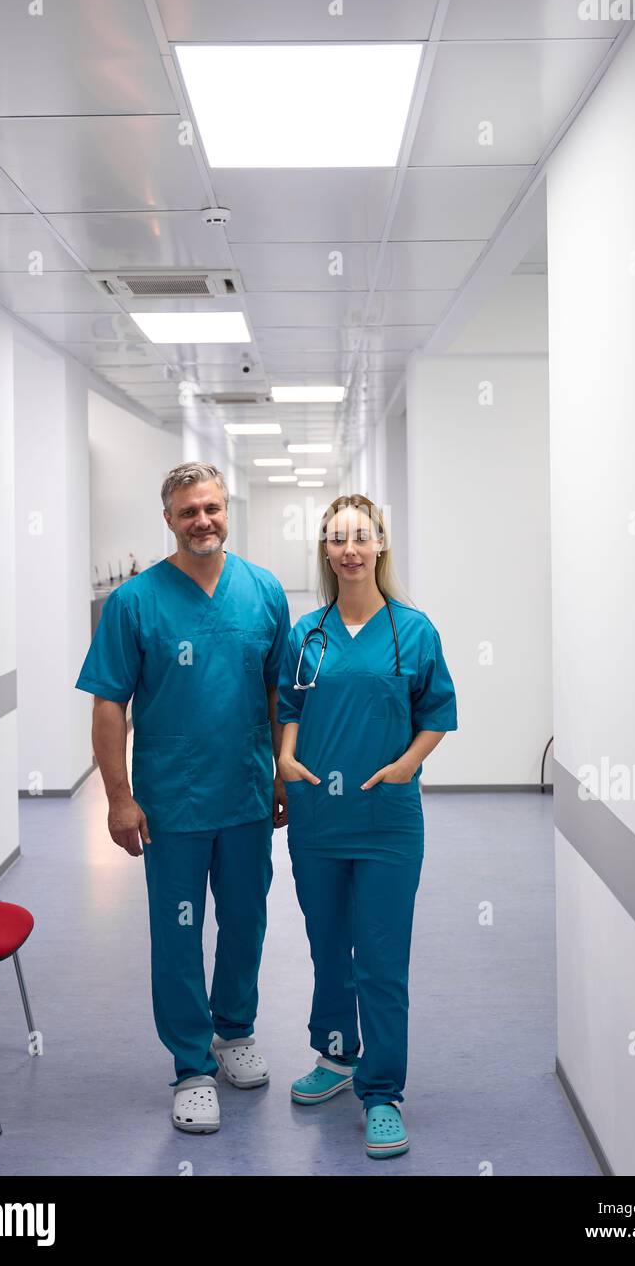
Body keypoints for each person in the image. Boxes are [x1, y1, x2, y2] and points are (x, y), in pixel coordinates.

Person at [75, 461, 290, 1134]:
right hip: (171, 800)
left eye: (213, 508)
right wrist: (118, 798)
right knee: (177, 934)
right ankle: (192, 1067)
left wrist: (284, 773)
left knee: (246, 921)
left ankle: (236, 1032)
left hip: (248, 791)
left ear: (228, 512)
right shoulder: (135, 602)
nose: (204, 520)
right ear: (168, 519)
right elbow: (109, 704)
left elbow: (280, 691)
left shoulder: (264, 591)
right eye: (189, 511)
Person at [277, 494, 457, 1159]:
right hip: (318, 820)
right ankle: (336, 1056)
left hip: (387, 822)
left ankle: (381, 1093)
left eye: (361, 537)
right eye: (336, 538)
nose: (349, 549)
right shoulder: (307, 634)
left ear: (380, 544)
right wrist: (286, 756)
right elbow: (290, 705)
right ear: (324, 550)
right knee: (328, 949)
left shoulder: (413, 630)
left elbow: (437, 712)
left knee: (380, 960)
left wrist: (407, 764)